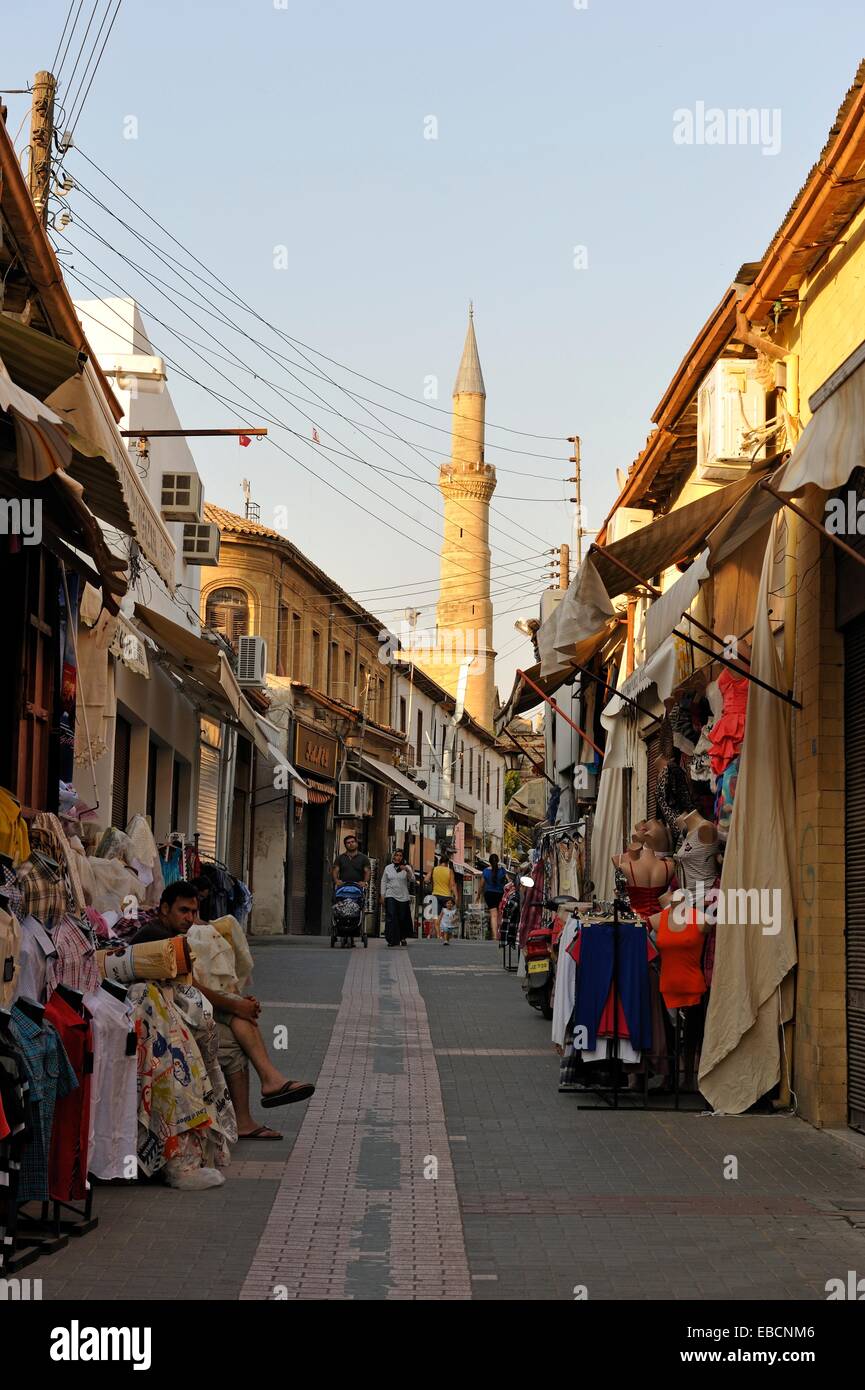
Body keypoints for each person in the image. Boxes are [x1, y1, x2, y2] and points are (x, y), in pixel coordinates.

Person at [132, 883, 315, 1139]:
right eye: (183, 910)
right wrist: (237, 1004)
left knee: (237, 1016)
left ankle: (267, 1086)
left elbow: (189, 989)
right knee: (231, 1039)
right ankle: (261, 1094)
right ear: (164, 908)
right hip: (162, 1022)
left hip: (177, 1009)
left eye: (193, 912)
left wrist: (237, 1003)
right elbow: (192, 987)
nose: (190, 918)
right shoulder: (157, 937)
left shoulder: (171, 934)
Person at [380, 849, 415, 947]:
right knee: (391, 917)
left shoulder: (406, 867)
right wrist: (382, 895)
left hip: (403, 896)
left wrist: (407, 870)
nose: (398, 857)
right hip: (390, 894)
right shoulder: (388, 868)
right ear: (393, 856)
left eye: (400, 855)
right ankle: (391, 939)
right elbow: (384, 881)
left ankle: (402, 937)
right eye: (396, 855)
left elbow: (412, 879)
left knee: (402, 918)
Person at [430, 853, 458, 940]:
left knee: (436, 916)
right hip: (446, 896)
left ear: (439, 862)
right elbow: (453, 885)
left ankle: (438, 935)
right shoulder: (449, 871)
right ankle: (445, 932)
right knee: (446, 916)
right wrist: (456, 896)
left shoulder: (434, 869)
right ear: (447, 863)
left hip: (435, 895)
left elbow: (426, 879)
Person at [481, 853, 506, 940]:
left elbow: (482, 885)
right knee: (500, 915)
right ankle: (500, 934)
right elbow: (508, 882)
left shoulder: (485, 871)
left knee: (493, 915)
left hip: (489, 894)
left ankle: (495, 936)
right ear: (498, 861)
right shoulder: (502, 870)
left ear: (489, 861)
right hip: (500, 894)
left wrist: (478, 896)